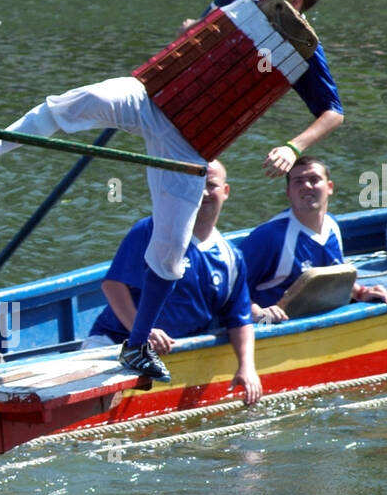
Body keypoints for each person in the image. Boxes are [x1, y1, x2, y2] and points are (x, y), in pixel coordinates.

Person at [0, 0, 344, 382]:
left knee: (170, 252)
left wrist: (293, 146)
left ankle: (137, 346)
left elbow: (333, 112)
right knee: (74, 103)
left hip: (189, 145)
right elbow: (199, 28)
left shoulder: (305, 51)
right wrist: (192, 31)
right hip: (151, 96)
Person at [84, 160, 262, 404]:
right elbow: (113, 285)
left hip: (172, 357)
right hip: (115, 344)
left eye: (211, 185)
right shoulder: (153, 229)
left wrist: (247, 367)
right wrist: (142, 331)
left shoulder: (231, 257)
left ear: (226, 191)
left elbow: (239, 320)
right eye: (195, 184)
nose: (203, 193)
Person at [243, 156, 387, 321]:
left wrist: (361, 292)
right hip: (272, 326)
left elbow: (330, 276)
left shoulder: (332, 226)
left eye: (314, 180)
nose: (307, 186)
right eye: (298, 181)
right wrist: (255, 311)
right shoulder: (270, 236)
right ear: (288, 192)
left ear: (330, 187)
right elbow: (229, 286)